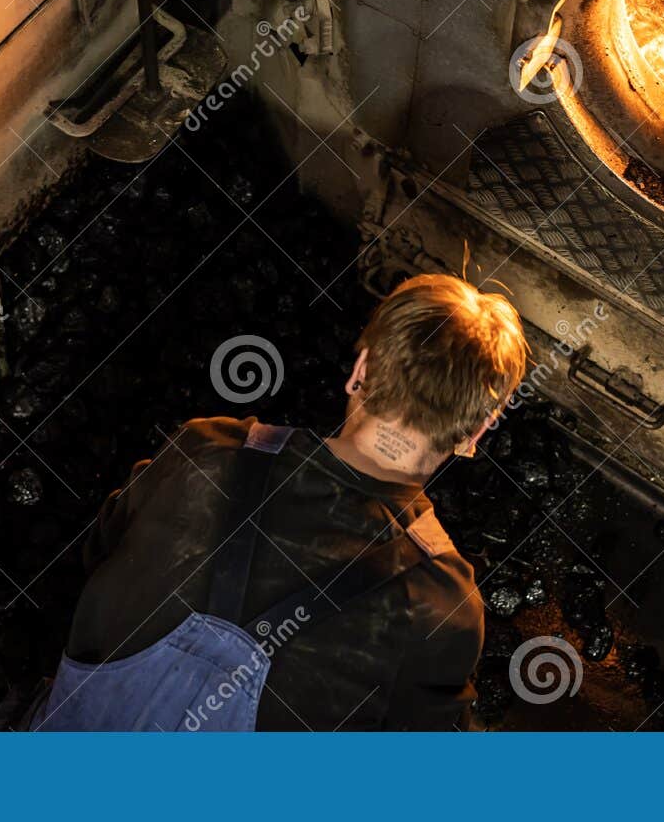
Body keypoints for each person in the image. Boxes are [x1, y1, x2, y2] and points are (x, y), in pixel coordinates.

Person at [31, 274, 528, 731]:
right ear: (474, 434)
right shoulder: (443, 603)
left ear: (361, 370)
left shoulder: (205, 449)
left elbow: (94, 554)